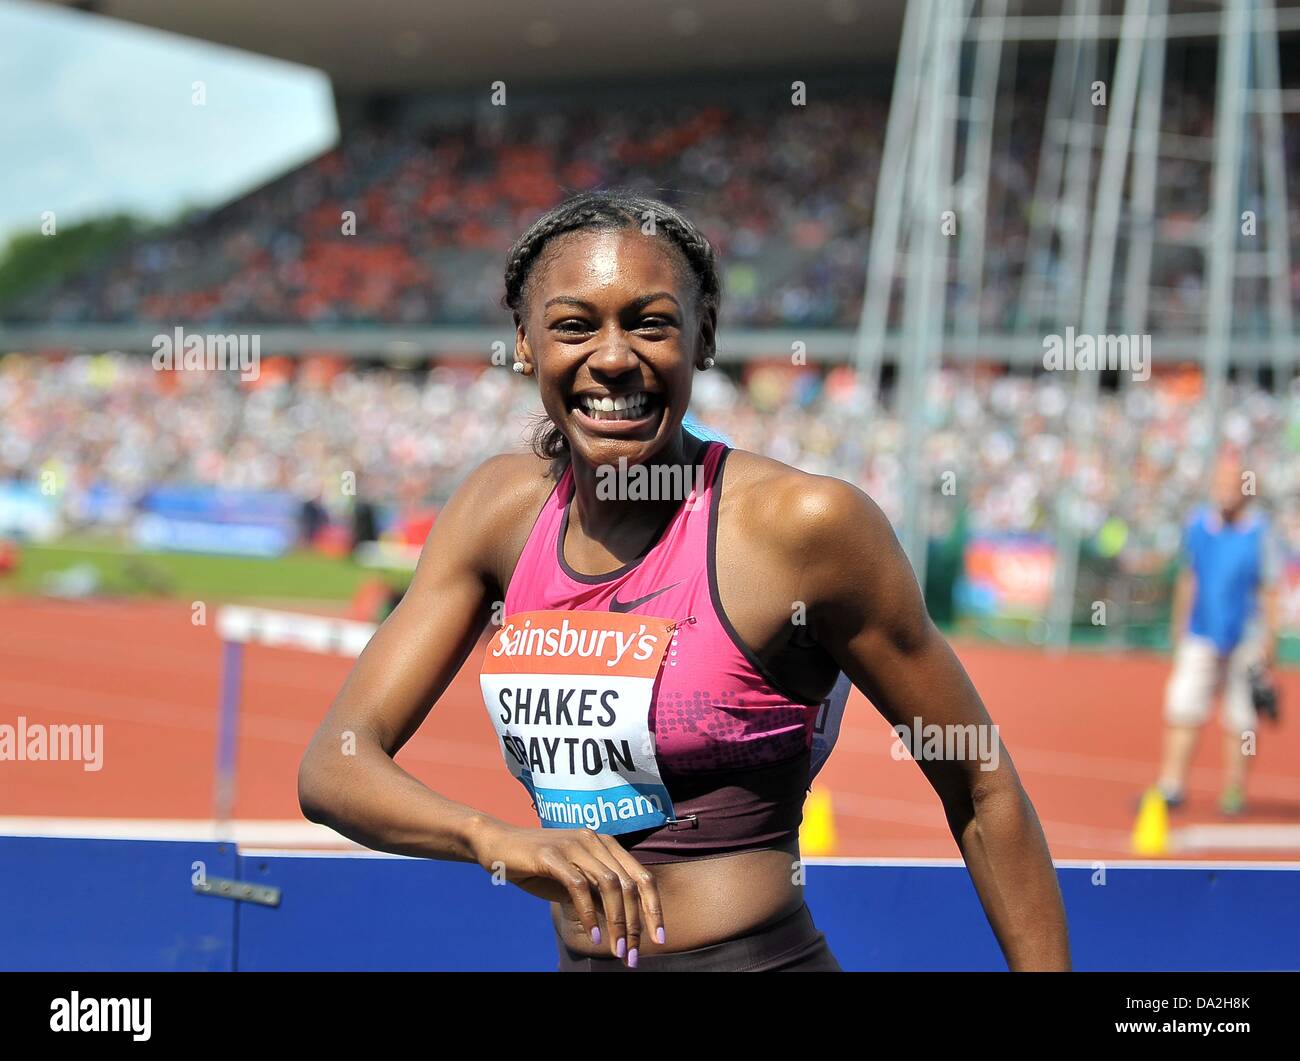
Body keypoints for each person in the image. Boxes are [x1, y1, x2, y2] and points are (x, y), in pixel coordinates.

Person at [298, 190, 1070, 971]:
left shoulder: (803, 526)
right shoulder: (497, 510)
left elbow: (981, 785)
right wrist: (494, 839)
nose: (612, 357)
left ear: (703, 336)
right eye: (574, 324)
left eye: (649, 321)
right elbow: (336, 763)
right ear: (524, 343)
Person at [1155, 453, 1281, 816]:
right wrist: (1178, 628)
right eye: (1220, 484)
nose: (1225, 492)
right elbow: (1188, 577)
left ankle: (1234, 791)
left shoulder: (1260, 532)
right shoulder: (1198, 525)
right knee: (1182, 707)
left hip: (1246, 634)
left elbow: (1270, 588)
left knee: (1242, 718)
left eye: (1232, 485)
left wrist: (1269, 640)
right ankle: (1171, 784)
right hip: (1201, 631)